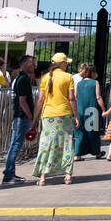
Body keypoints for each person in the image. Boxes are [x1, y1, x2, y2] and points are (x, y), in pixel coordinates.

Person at [34, 52, 77, 185]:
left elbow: (40, 100)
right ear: (63, 64)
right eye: (66, 63)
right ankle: (68, 175)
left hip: (48, 115)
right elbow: (71, 98)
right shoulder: (68, 77)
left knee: (46, 143)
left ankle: (42, 176)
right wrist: (76, 115)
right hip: (64, 114)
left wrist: (35, 118)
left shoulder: (45, 77)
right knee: (67, 142)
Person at [2, 54, 37, 185]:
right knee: (15, 145)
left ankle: (9, 173)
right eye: (31, 63)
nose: (34, 65)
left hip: (20, 117)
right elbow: (22, 101)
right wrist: (30, 116)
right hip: (21, 117)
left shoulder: (21, 78)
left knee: (14, 145)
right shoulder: (23, 79)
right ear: (24, 64)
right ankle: (8, 174)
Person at [74, 63, 105, 159]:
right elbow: (98, 97)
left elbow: (75, 97)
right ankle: (96, 152)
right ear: (93, 72)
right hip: (92, 110)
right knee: (93, 132)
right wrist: (104, 109)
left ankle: (77, 155)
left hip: (79, 110)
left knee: (79, 132)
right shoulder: (95, 83)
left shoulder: (79, 84)